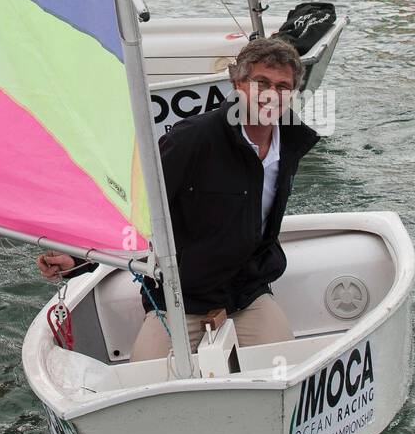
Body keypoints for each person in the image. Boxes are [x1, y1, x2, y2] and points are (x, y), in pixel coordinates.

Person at [37, 38, 318, 361]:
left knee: (289, 369)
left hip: (247, 293)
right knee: (145, 383)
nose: (272, 94)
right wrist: (77, 258)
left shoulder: (294, 142)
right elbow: (136, 209)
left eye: (283, 87)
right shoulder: (191, 139)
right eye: (261, 82)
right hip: (180, 296)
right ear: (238, 84)